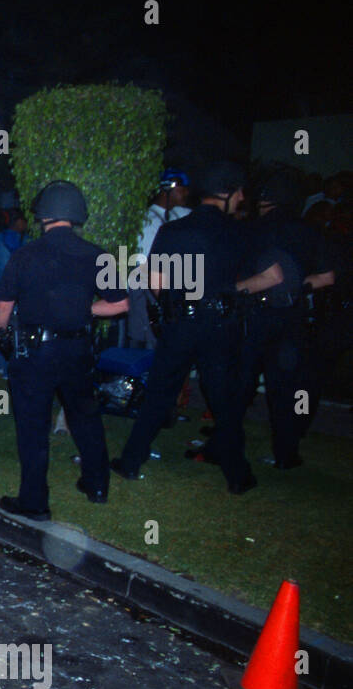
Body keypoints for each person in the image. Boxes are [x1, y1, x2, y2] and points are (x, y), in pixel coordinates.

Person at [113, 161, 283, 494]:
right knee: (224, 401)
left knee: (159, 394)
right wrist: (229, 293)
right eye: (240, 193)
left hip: (182, 324)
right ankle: (238, 476)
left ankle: (131, 462)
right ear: (231, 192)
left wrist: (179, 300)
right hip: (221, 324)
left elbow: (156, 281)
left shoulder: (175, 230)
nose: (242, 200)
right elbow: (273, 277)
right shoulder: (242, 233)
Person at [0, 182, 128, 520]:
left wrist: (1, 336)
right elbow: (121, 304)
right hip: (78, 348)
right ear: (76, 215)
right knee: (86, 417)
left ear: (43, 215)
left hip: (35, 351)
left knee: (33, 426)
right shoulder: (99, 255)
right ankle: (97, 485)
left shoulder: (25, 255)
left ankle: (35, 502)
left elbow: (2, 306)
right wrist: (86, 312)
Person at [201, 167, 336, 470]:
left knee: (240, 385)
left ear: (265, 199)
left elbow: (245, 272)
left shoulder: (253, 229)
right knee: (285, 389)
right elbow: (327, 278)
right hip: (292, 318)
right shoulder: (310, 231)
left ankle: (221, 446)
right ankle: (286, 454)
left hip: (255, 315)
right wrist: (296, 286)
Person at [128, 169, 192, 349]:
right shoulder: (149, 221)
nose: (186, 193)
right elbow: (145, 269)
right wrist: (166, 302)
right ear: (168, 189)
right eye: (182, 188)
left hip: (163, 295)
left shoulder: (174, 215)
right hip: (149, 298)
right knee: (150, 351)